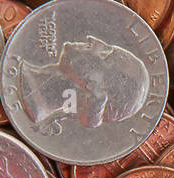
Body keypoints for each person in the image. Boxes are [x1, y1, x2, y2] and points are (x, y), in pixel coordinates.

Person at [19, 36, 149, 130]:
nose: (93, 39)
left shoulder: (27, 93)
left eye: (106, 52)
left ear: (92, 85)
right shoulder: (23, 74)